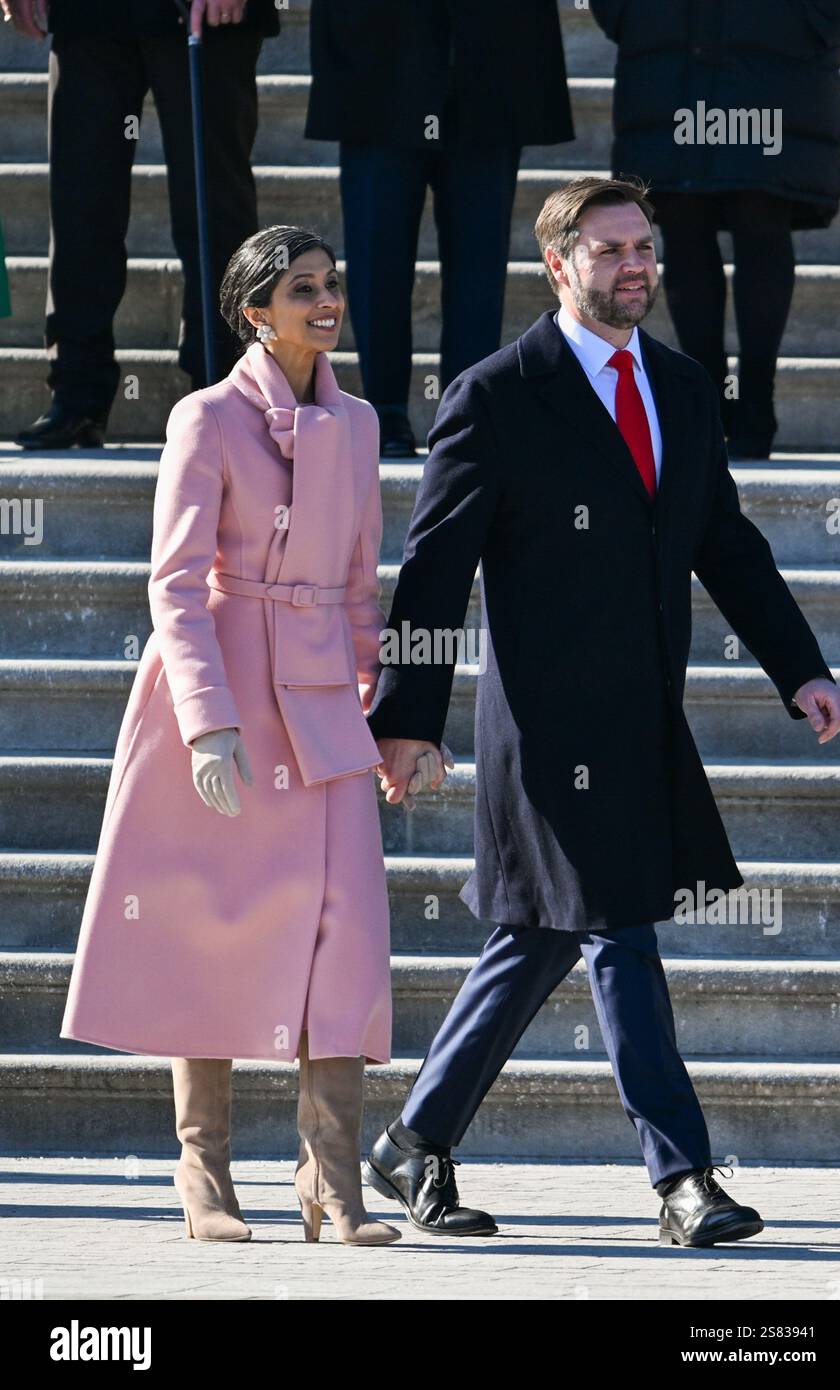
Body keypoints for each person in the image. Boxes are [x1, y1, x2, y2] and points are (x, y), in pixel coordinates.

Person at [363, 176, 840, 1247]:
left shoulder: (677, 385)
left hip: (640, 717)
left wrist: (797, 668)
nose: (635, 265)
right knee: (616, 930)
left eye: (642, 247)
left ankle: (411, 1141)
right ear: (556, 265)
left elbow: (723, 540)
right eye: (608, 250)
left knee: (538, 938)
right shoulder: (497, 394)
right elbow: (434, 568)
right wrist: (407, 717)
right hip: (541, 730)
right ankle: (681, 1178)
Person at [58, 225, 437, 1246]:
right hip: (221, 692)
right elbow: (175, 586)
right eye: (301, 288)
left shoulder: (357, 424)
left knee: (345, 938)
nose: (325, 300)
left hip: (319, 702)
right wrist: (207, 724)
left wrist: (385, 715)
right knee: (206, 928)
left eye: (332, 283)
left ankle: (331, 1185)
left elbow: (361, 586)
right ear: (252, 312)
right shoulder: (205, 416)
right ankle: (205, 1176)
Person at [590, 0, 840, 458]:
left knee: (760, 214)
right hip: (670, 44)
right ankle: (708, 410)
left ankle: (754, 406)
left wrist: (816, 14)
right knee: (684, 220)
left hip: (776, 47)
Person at [304, 0, 574, 455]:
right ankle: (385, 413)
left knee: (479, 267)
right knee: (377, 260)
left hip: (491, 60)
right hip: (376, 61)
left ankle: (465, 415)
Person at [11, 0, 279, 450]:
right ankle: (77, 394)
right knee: (81, 202)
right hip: (89, 18)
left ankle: (222, 389)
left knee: (214, 205)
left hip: (204, 16)